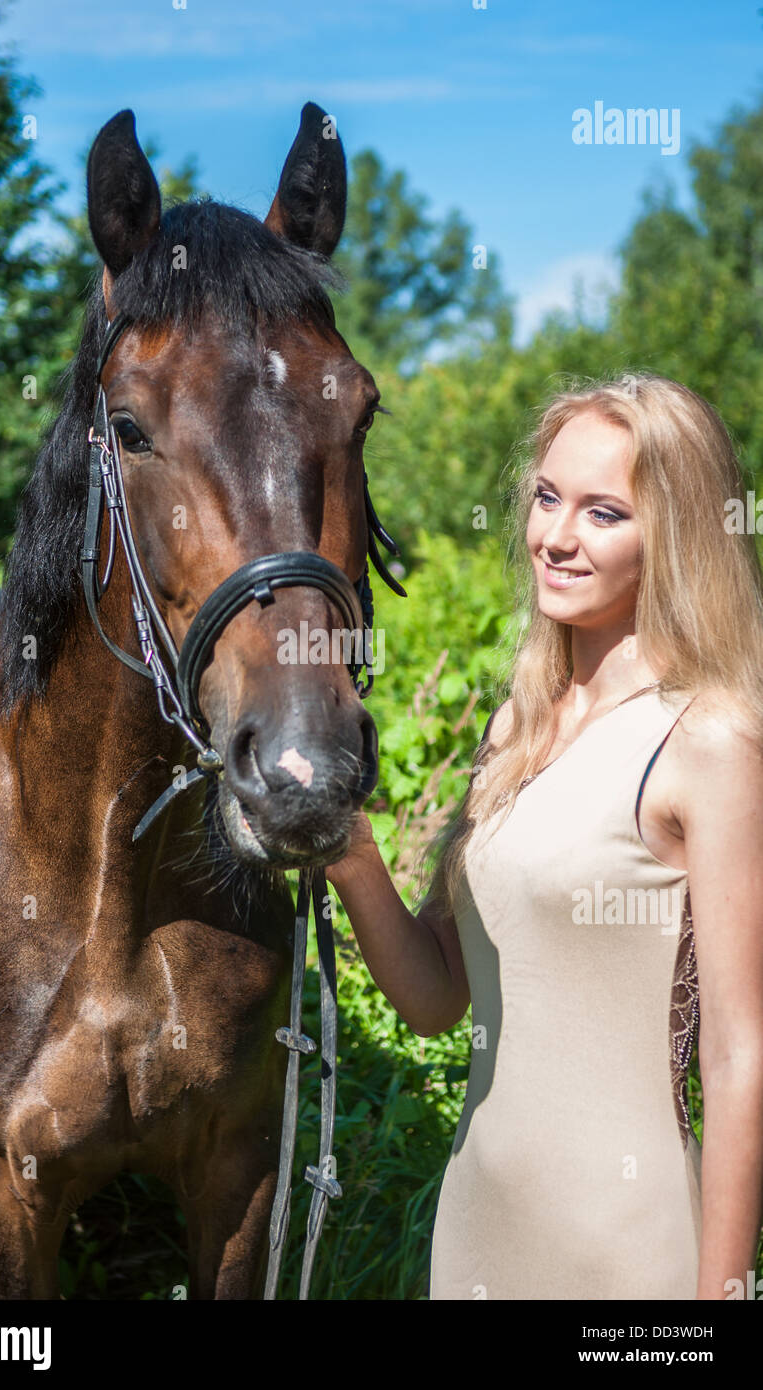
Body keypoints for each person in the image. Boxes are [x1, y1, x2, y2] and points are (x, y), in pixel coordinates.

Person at [326, 373, 763, 1300]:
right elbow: (440, 1001)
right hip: (474, 1233)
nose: (555, 537)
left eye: (604, 512)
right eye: (547, 497)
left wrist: (718, 1305)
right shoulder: (512, 732)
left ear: (675, 535)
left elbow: (737, 1056)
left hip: (624, 1254)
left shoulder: (709, 741)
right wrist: (349, 854)